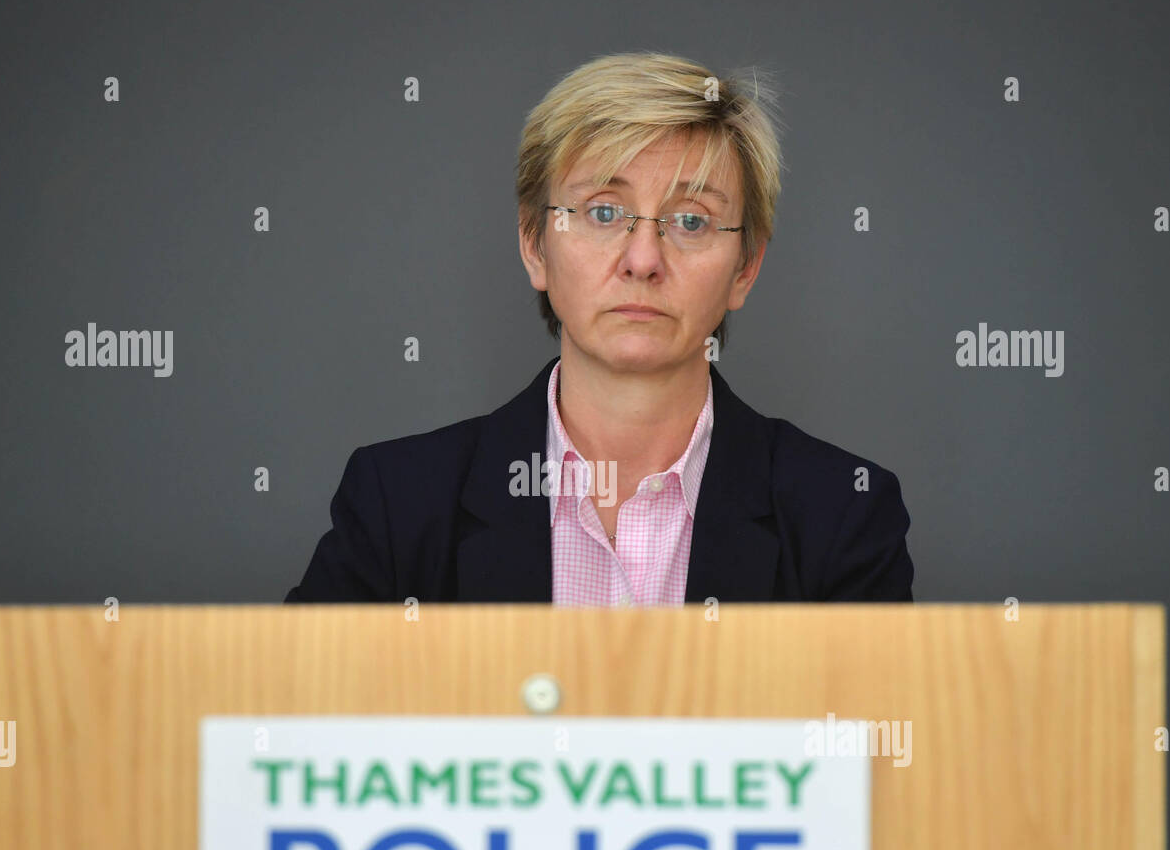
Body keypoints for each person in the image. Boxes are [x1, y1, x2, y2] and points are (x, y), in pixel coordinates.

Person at [286, 52, 913, 605]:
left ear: (745, 267)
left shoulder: (844, 513)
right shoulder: (398, 503)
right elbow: (292, 727)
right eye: (604, 212)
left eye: (691, 221)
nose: (643, 260)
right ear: (535, 246)